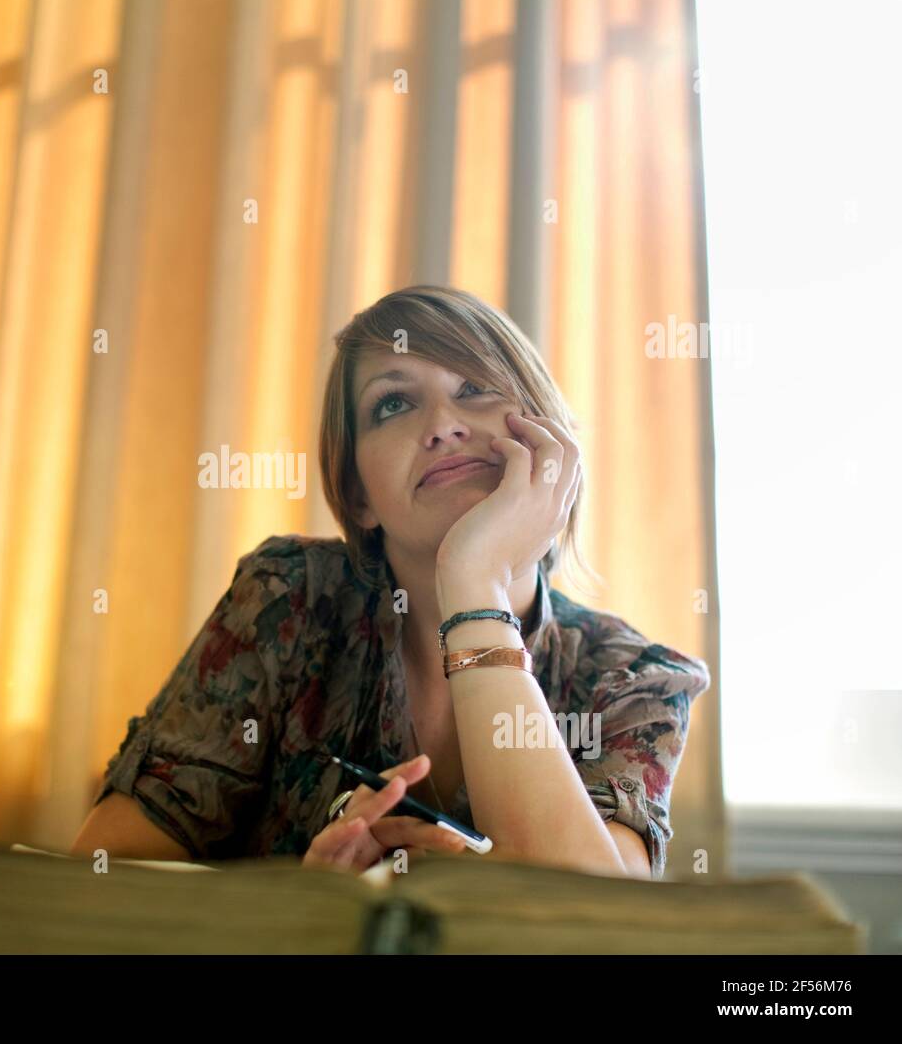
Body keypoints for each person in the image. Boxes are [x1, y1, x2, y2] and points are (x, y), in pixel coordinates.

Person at [71, 285, 710, 879]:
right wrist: (300, 914)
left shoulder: (629, 679)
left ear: (550, 446)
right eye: (394, 403)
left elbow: (589, 932)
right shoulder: (288, 599)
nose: (443, 424)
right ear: (358, 495)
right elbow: (100, 878)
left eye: (478, 388)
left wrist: (473, 581)